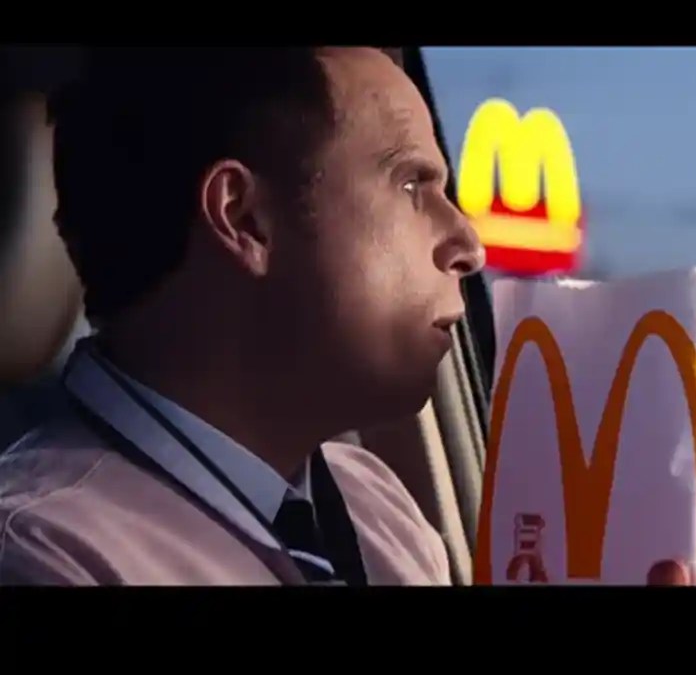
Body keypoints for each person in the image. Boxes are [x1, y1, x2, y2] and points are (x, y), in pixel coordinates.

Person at [0, 47, 485, 585]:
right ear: (245, 217)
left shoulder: (372, 506)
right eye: (412, 184)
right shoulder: (45, 556)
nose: (468, 244)